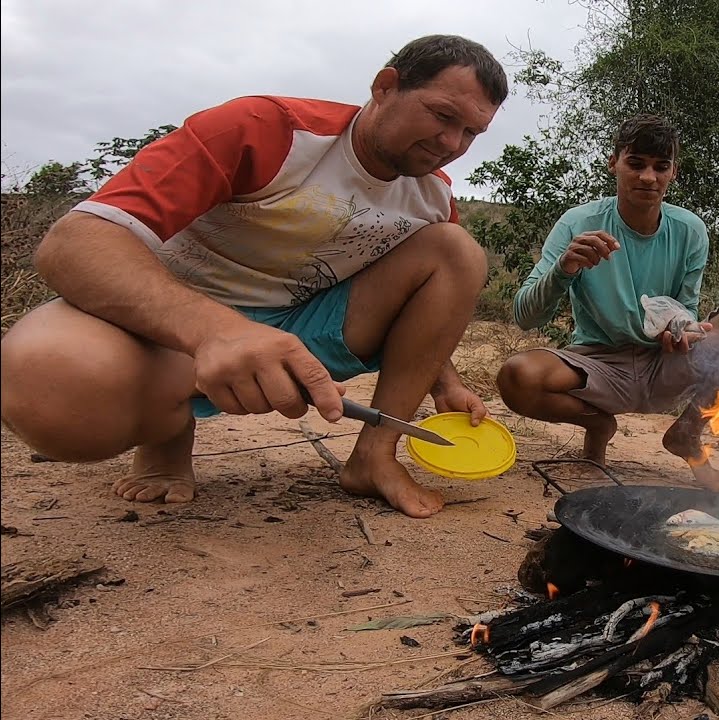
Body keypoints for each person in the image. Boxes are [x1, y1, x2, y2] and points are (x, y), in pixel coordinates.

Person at [0, 34, 508, 519]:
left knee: (455, 250)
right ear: (385, 85)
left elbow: (431, 298)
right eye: (442, 116)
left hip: (302, 331)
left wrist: (447, 382)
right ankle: (166, 434)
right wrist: (219, 333)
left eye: (471, 133)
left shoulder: (432, 195)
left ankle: (375, 456)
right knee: (52, 391)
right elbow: (74, 242)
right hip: (169, 326)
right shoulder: (266, 129)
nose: (451, 143)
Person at [497, 114, 719, 489]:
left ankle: (687, 433)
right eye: (636, 164)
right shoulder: (578, 223)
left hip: (664, 362)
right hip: (600, 362)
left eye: (660, 167)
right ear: (613, 163)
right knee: (518, 376)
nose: (649, 177)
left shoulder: (690, 229)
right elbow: (526, 317)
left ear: (673, 173)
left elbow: (685, 309)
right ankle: (597, 422)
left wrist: (684, 332)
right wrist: (564, 269)